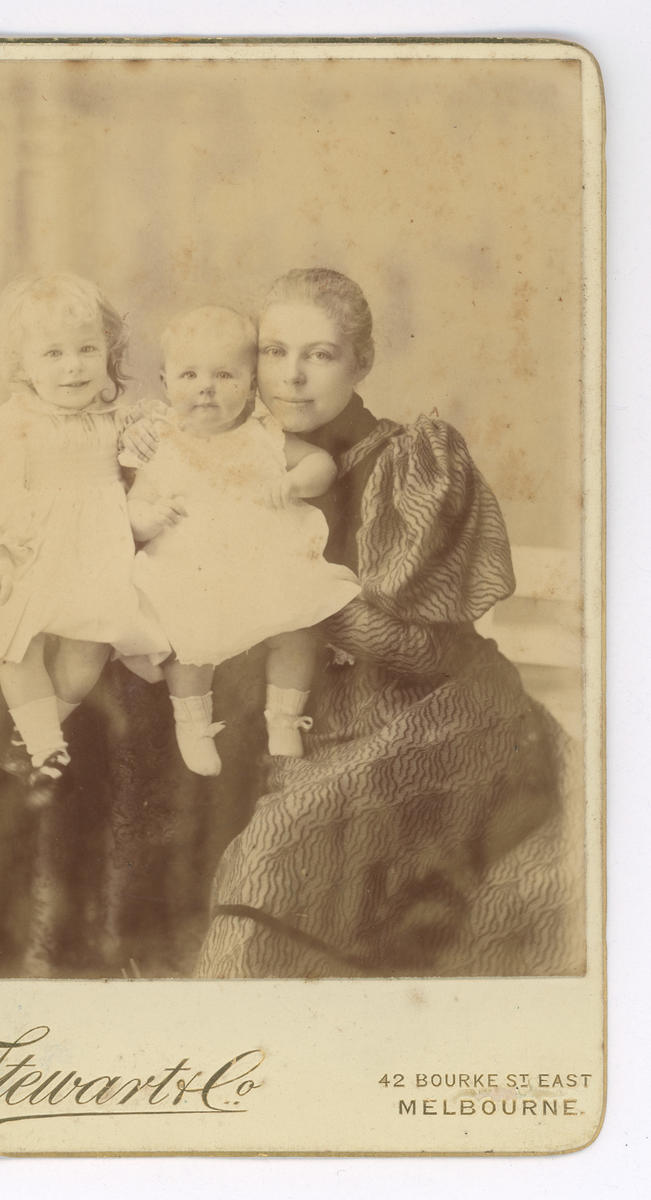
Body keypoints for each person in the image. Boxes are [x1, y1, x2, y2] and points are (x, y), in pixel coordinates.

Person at [175, 267, 583, 978]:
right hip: (298, 715)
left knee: (281, 845)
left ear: (360, 362)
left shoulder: (412, 462)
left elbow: (424, 653)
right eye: (275, 352)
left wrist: (300, 595)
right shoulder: (218, 456)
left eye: (320, 355)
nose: (292, 378)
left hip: (431, 715)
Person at [0, 272, 169, 807]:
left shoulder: (119, 416)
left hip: (98, 550)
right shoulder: (15, 423)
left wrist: (152, 434)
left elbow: (159, 451)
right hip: (31, 545)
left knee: (89, 648)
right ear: (24, 366)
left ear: (109, 352)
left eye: (86, 349)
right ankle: (48, 747)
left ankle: (33, 736)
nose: (73, 365)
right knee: (15, 641)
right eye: (52, 354)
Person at [124, 305, 361, 776]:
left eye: (225, 375)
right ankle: (192, 725)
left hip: (261, 560)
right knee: (184, 642)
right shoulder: (158, 442)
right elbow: (132, 508)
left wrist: (294, 484)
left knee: (295, 628)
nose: (206, 387)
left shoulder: (262, 435)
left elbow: (321, 464)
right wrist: (149, 519)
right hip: (188, 565)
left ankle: (285, 720)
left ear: (252, 384)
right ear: (165, 381)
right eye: (189, 374)